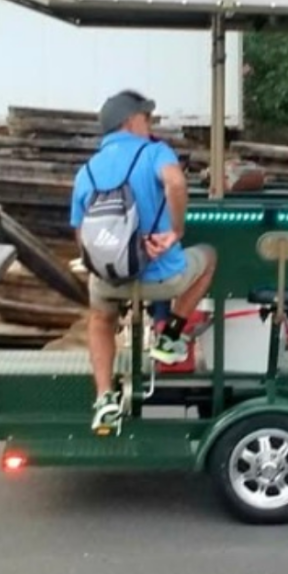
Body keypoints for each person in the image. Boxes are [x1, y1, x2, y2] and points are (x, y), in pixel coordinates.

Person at [70, 89, 218, 429]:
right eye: (147, 117)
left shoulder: (86, 171)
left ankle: (104, 398)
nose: (151, 123)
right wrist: (176, 231)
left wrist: (106, 265)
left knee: (100, 318)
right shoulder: (154, 152)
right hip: (162, 279)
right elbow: (176, 183)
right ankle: (171, 336)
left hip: (111, 282)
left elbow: (80, 235)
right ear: (130, 121)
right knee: (209, 258)